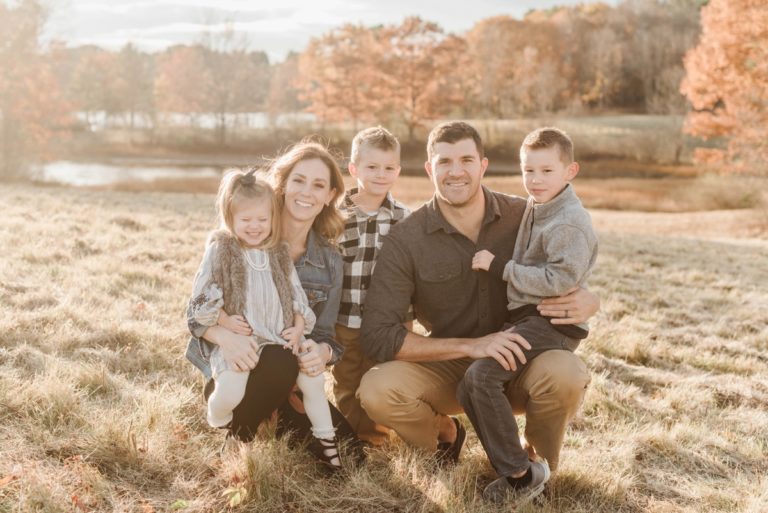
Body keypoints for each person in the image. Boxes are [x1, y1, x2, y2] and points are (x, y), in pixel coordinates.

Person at [358, 121, 598, 475]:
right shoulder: (406, 239)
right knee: (378, 387)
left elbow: (570, 262)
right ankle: (442, 439)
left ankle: (537, 468)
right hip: (452, 367)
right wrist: (473, 346)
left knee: (565, 372)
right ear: (429, 169)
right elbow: (379, 335)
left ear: (483, 165)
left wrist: (592, 300)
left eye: (467, 160)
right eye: (444, 162)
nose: (456, 172)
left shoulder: (524, 214)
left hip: (522, 362)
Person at [186, 141, 359, 469]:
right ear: (282, 184)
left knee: (352, 454)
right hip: (238, 359)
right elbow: (195, 309)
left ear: (329, 196)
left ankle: (274, 413)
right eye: (299, 180)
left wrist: (318, 354)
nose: (307, 192)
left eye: (318, 185)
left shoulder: (330, 261)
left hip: (290, 370)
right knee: (278, 362)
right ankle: (239, 436)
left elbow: (326, 336)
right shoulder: (239, 235)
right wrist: (225, 337)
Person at [461, 127, 598, 503]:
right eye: (528, 170)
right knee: (468, 385)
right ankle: (519, 468)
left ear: (570, 171)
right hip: (529, 319)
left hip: (552, 321)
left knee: (483, 375)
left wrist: (499, 267)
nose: (535, 180)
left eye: (546, 171)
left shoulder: (568, 221)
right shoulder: (536, 206)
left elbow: (560, 279)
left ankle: (522, 474)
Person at [334, 126, 410, 445]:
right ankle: (348, 438)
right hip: (344, 320)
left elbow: (409, 275)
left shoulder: (405, 219)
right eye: (372, 167)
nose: (381, 174)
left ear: (398, 171)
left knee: (378, 375)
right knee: (347, 381)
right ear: (354, 169)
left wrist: (407, 317)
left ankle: (373, 438)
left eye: (389, 168)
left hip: (384, 321)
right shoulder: (335, 216)